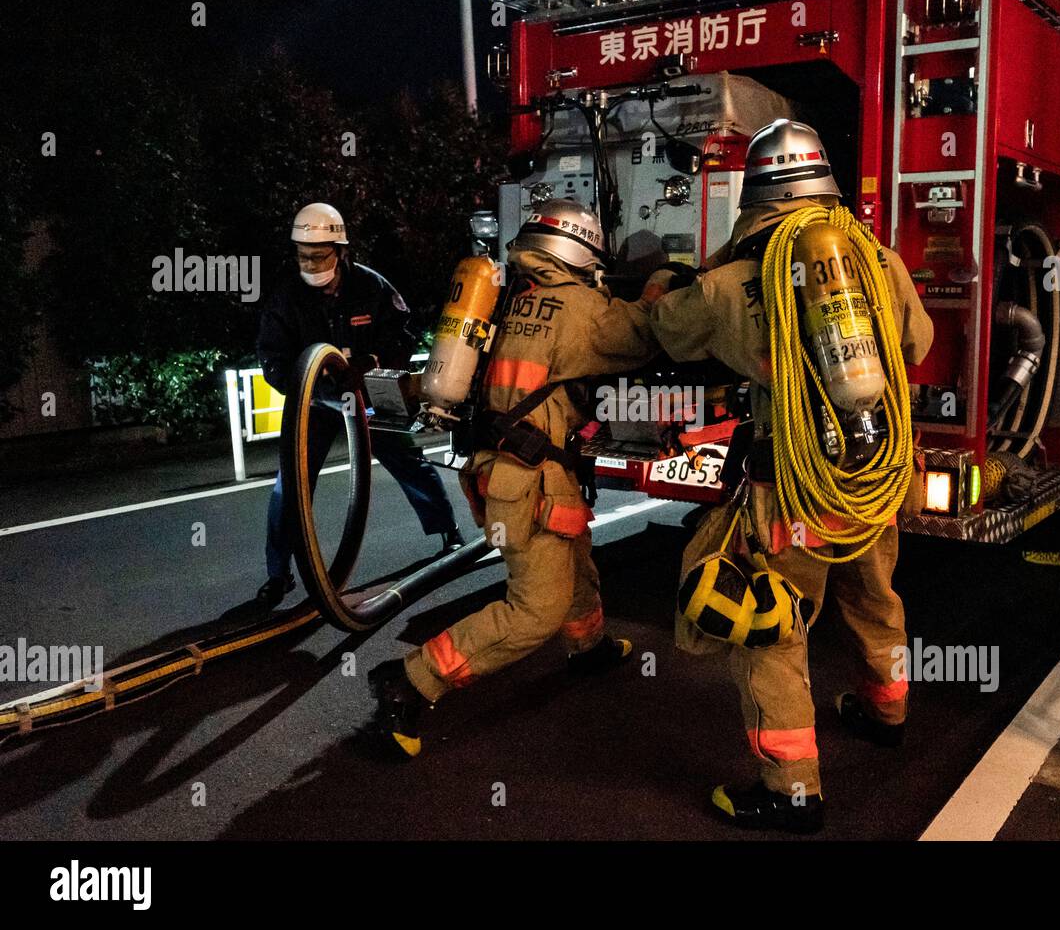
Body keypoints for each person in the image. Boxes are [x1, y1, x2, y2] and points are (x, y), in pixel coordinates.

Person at [650, 120, 934, 833]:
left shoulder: (735, 279)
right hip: (872, 478)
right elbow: (920, 341)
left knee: (773, 623)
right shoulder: (873, 258)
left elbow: (670, 331)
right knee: (874, 594)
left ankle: (791, 787)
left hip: (796, 487)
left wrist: (667, 282)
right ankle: (886, 709)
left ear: (756, 189)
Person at [367, 198, 661, 757]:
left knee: (573, 557)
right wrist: (660, 285)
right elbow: (645, 336)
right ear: (579, 252)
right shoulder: (580, 310)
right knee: (534, 610)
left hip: (505, 468)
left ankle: (589, 647)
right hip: (531, 477)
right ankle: (410, 682)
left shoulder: (503, 299)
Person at [255, 202, 464, 608]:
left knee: (408, 459)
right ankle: (278, 575)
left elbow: (403, 333)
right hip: (313, 402)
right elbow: (271, 357)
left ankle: (447, 530)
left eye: (318, 255)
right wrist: (307, 384)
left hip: (368, 396)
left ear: (341, 250)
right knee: (290, 486)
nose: (310, 263)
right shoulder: (286, 296)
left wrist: (372, 362)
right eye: (302, 255)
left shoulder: (371, 287)